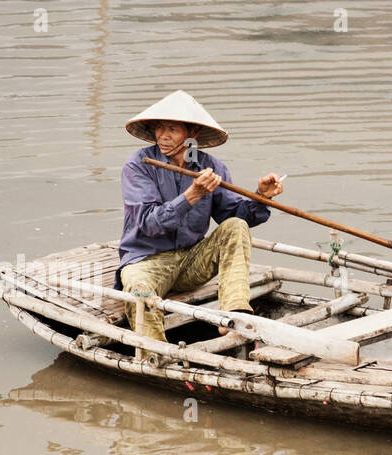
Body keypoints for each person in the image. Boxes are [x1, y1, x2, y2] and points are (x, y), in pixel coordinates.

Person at [117, 90, 283, 341]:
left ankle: (234, 313)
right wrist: (192, 195)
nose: (163, 136)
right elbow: (150, 224)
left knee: (236, 226)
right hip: (146, 262)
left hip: (190, 262)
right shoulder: (139, 165)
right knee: (140, 292)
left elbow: (235, 215)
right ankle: (157, 355)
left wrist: (261, 196)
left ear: (192, 133)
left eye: (172, 129)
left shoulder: (211, 167)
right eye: (159, 128)